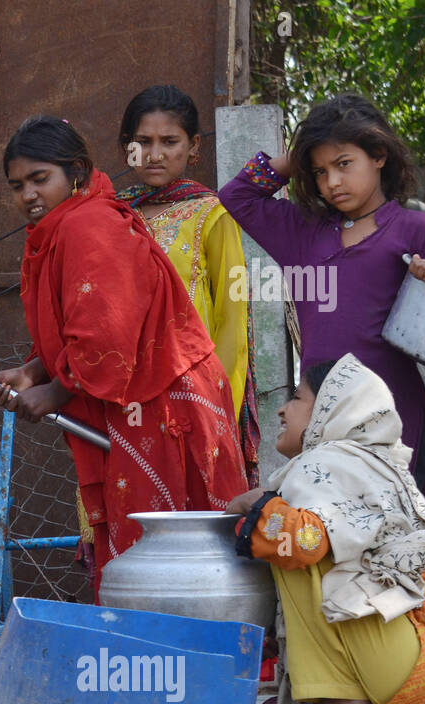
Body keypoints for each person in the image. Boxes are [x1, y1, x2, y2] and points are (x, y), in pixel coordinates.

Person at [0, 116, 248, 597]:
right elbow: (79, 325)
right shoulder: (65, 225)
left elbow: (111, 332)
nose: (27, 195)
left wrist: (56, 391)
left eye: (40, 179)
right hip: (148, 394)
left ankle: (181, 659)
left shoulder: (89, 225)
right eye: (17, 185)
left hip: (167, 396)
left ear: (77, 172)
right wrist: (32, 370)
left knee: (168, 553)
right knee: (159, 553)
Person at [218, 92, 425, 507]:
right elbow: (236, 196)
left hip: (396, 417)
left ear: (379, 155)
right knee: (324, 530)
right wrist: (303, 152)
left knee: (394, 533)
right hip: (322, 417)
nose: (332, 182)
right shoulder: (304, 232)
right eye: (319, 171)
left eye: (344, 164)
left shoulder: (415, 230)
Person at [227, 355, 425, 704]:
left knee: (287, 540)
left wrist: (255, 503)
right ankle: (344, 701)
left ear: (333, 409)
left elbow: (302, 543)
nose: (281, 409)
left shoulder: (327, 461)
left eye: (297, 398)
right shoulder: (377, 465)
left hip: (421, 676)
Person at [116, 85, 260, 485]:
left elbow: (232, 322)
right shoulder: (111, 216)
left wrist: (218, 410)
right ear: (126, 146)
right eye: (143, 142)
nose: (155, 153)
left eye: (170, 141)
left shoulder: (212, 214)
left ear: (193, 146)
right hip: (123, 393)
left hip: (192, 395)